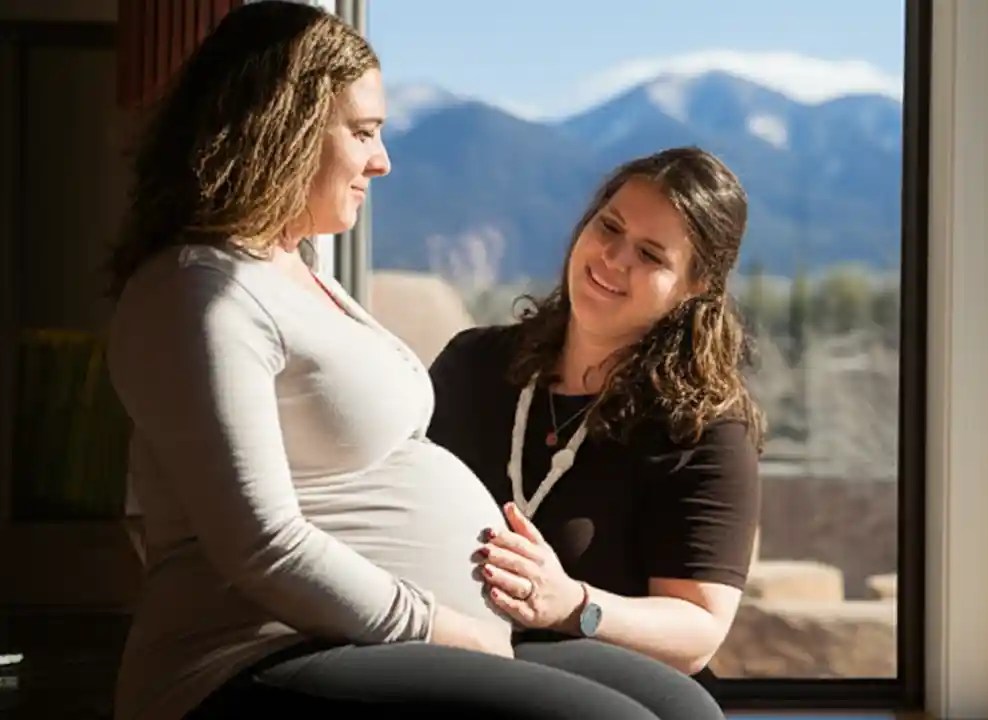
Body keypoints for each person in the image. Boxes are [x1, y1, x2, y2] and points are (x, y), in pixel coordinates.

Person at [106, 3, 674, 719]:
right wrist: (442, 628)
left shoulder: (296, 268)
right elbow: (260, 544)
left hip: (388, 637)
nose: (383, 161)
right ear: (286, 128)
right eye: (365, 133)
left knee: (680, 707)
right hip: (257, 653)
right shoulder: (199, 292)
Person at [427, 147, 763, 695]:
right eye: (609, 226)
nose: (613, 258)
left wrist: (572, 605)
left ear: (696, 288)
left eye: (651, 255)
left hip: (612, 691)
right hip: (444, 664)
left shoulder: (703, 430)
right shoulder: (472, 365)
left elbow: (698, 629)